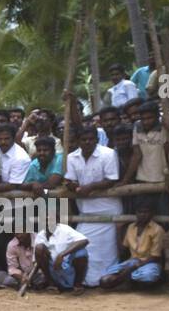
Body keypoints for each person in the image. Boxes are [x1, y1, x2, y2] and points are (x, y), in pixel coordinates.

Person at [62, 123, 122, 286]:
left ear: (97, 139)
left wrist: (91, 187)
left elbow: (112, 179)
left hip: (108, 210)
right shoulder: (72, 157)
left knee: (107, 252)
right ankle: (87, 281)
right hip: (86, 212)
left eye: (91, 139)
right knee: (85, 248)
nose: (87, 142)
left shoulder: (108, 154)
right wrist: (75, 187)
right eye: (84, 139)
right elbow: (70, 180)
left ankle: (107, 280)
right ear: (78, 141)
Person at [33, 222, 90, 295]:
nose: (47, 223)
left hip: (68, 269)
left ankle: (77, 285)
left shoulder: (65, 229)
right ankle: (52, 285)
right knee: (39, 248)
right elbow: (37, 260)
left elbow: (84, 240)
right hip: (53, 270)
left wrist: (61, 255)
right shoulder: (41, 235)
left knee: (81, 253)